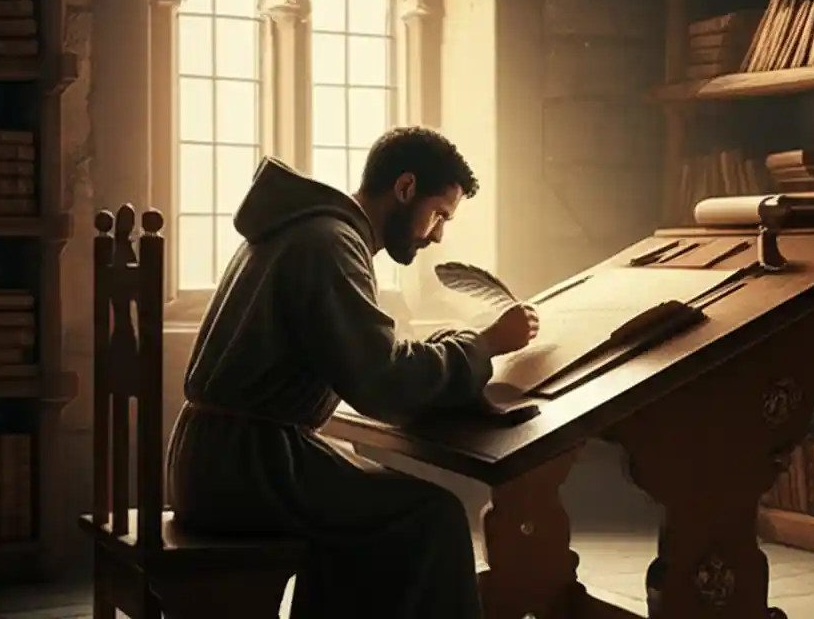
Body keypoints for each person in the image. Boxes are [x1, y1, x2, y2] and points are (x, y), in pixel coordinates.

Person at [165, 126, 540, 618]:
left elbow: (366, 359)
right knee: (435, 517)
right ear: (405, 188)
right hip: (246, 470)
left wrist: (451, 352)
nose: (438, 235)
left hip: (220, 460)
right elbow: (381, 384)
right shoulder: (331, 242)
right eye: (438, 214)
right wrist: (486, 344)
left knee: (368, 516)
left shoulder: (307, 228)